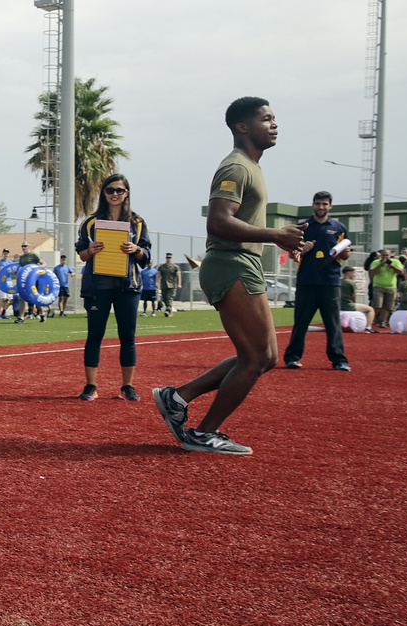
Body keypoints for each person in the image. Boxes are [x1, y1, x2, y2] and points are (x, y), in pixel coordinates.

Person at [152, 96, 305, 455]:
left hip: (241, 262)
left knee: (265, 357)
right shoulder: (236, 167)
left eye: (274, 118)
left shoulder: (251, 167)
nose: (274, 124)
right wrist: (275, 235)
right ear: (242, 127)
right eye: (266, 119)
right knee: (255, 358)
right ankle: (204, 433)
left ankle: (178, 397)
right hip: (230, 263)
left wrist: (285, 241)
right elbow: (218, 220)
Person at [75, 173, 152, 401]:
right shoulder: (90, 223)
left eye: (120, 190)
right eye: (110, 190)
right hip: (98, 287)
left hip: (128, 286)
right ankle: (91, 386)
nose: (115, 194)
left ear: (127, 192)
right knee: (94, 336)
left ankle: (127, 386)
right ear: (104, 193)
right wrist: (91, 251)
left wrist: (135, 249)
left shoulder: (137, 223)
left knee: (127, 336)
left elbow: (146, 255)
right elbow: (81, 253)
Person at [283, 191, 351, 371]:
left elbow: (344, 255)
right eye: (318, 204)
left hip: (331, 282)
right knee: (301, 322)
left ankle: (339, 360)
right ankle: (293, 358)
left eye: (324, 204)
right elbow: (292, 255)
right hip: (306, 282)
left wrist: (345, 254)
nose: (321, 207)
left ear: (330, 206)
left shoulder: (339, 228)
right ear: (313, 205)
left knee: (333, 323)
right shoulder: (303, 227)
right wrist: (301, 250)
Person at [369, 249, 404, 329]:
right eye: (383, 255)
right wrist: (381, 264)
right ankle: (371, 320)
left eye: (386, 255)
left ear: (390, 255)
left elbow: (401, 272)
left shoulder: (395, 261)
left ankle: (382, 321)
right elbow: (373, 272)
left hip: (391, 286)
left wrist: (392, 266)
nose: (385, 257)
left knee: (388, 306)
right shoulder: (376, 262)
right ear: (380, 255)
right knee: (377, 305)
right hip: (378, 286)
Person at [340, 266, 376, 333]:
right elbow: (354, 296)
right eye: (353, 273)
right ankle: (368, 327)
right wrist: (354, 304)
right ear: (348, 273)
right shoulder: (350, 282)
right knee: (370, 309)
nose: (354, 275)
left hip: (339, 305)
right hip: (348, 304)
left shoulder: (339, 281)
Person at [15, 241, 43, 323]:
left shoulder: (34, 255)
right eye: (22, 246)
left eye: (25, 246)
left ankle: (42, 313)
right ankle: (21, 317)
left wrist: (40, 267)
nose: (24, 247)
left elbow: (44, 263)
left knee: (35, 299)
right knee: (21, 298)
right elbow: (20, 268)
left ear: (29, 246)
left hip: (34, 280)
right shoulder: (22, 257)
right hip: (24, 280)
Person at [157, 253, 181, 317]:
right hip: (164, 285)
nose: (168, 259)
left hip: (172, 285)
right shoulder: (162, 267)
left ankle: (168, 310)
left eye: (169, 258)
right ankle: (170, 311)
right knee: (164, 298)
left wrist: (179, 283)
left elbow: (178, 275)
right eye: (167, 258)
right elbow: (158, 274)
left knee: (169, 298)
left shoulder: (175, 267)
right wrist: (157, 282)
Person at [0, 248, 13, 319]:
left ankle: (3, 312)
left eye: (7, 253)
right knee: (3, 298)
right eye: (4, 253)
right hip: (3, 281)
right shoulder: (0, 262)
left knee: (9, 299)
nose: (6, 255)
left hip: (9, 281)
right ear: (2, 254)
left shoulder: (10, 262)